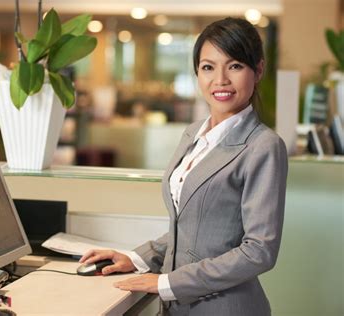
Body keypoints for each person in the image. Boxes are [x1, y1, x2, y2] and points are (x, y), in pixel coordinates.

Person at [79, 17, 288, 316]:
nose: (220, 80)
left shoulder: (263, 146)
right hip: (178, 307)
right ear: (196, 72)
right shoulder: (193, 133)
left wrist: (167, 283)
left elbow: (259, 252)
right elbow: (190, 230)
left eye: (235, 66)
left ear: (258, 70)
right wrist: (136, 259)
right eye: (208, 67)